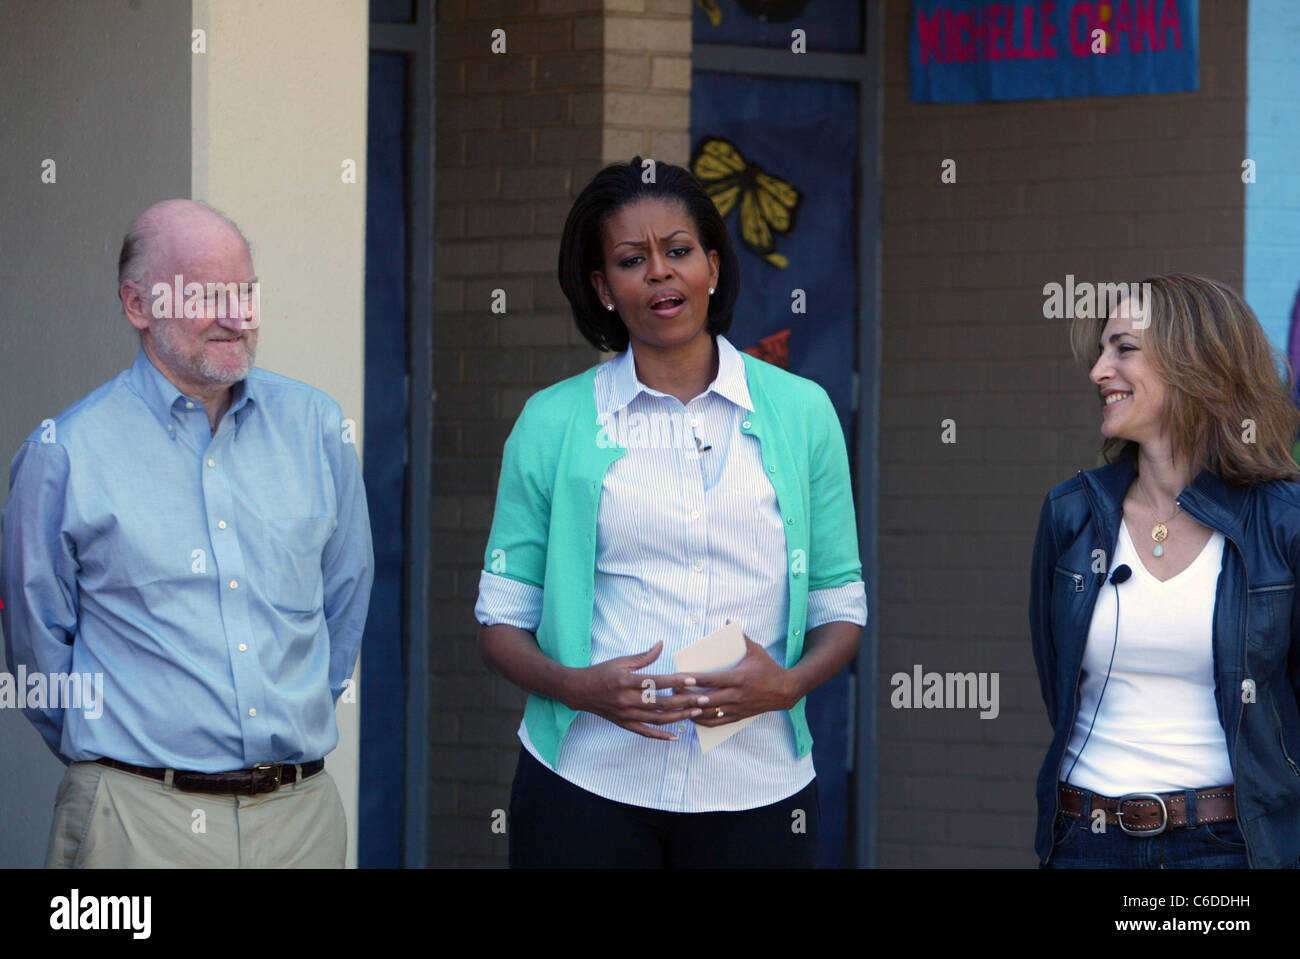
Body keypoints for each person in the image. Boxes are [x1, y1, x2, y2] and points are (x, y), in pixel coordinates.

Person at [474, 156, 867, 868]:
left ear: (712, 267)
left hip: (760, 790)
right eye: (632, 259)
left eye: (678, 251)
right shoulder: (552, 422)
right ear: (601, 287)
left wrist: (788, 683)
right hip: (586, 786)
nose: (659, 273)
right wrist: (578, 688)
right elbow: (501, 621)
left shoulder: (802, 412)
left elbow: (841, 602)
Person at [0, 199, 374, 868]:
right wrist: (121, 770)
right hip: (136, 825)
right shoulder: (66, 452)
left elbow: (345, 601)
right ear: (139, 304)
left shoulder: (316, 426)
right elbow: (37, 655)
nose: (236, 315)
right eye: (208, 293)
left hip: (300, 823)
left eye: (246, 291)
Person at [1029, 273, 1300, 868]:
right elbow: (1058, 680)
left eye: (1123, 349)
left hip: (1230, 846)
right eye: (1102, 350)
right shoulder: (1071, 514)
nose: (1100, 371)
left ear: (1194, 363)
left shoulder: (1283, 524)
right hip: (1082, 839)